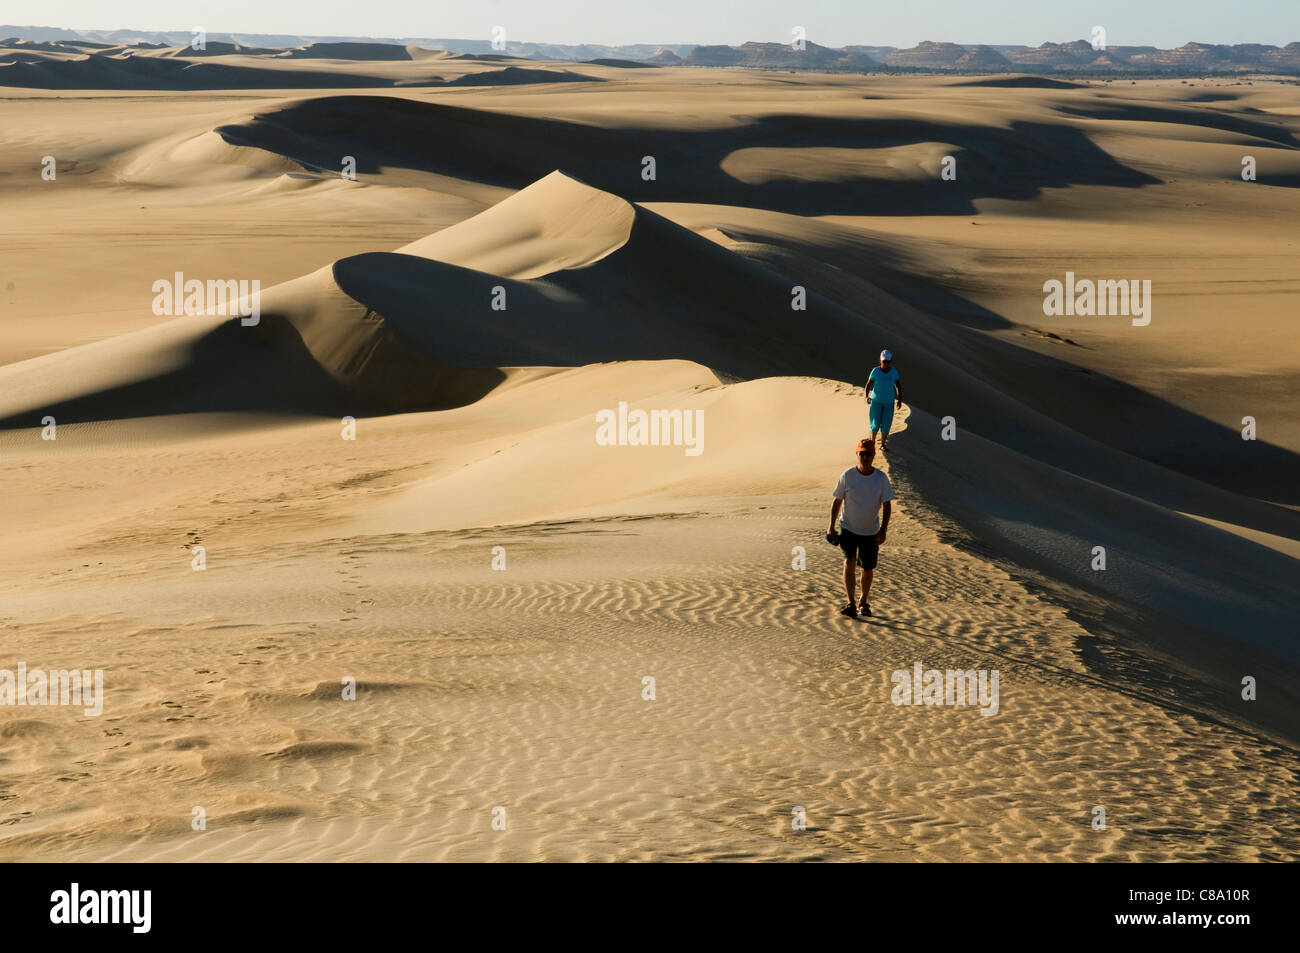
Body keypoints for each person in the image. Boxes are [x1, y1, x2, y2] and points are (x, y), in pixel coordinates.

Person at [826, 438, 893, 618]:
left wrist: (884, 529)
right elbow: (837, 501)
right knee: (849, 562)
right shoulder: (847, 475)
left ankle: (863, 602)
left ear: (873, 455)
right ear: (857, 454)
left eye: (868, 453)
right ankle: (851, 603)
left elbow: (887, 504)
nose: (865, 457)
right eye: (862, 453)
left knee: (867, 569)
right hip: (847, 528)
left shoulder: (880, 478)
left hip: (870, 531)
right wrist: (831, 527)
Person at [865, 349, 903, 451]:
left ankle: (882, 444)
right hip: (876, 401)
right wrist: (866, 396)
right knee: (875, 424)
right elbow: (868, 384)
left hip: (889, 402)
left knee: (886, 424)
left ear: (891, 361)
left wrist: (899, 399)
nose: (886, 363)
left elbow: (898, 386)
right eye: (884, 361)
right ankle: (872, 442)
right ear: (880, 361)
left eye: (888, 361)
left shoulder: (894, 371)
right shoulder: (876, 371)